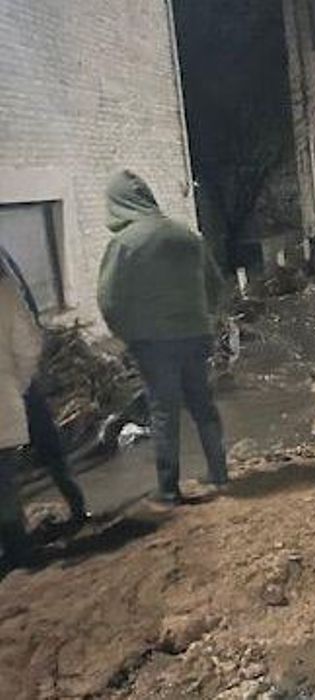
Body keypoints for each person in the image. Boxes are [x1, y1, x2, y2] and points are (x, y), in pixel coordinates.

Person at [97, 170, 228, 506]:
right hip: (196, 334)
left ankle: (169, 490)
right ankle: (219, 474)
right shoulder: (186, 234)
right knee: (203, 406)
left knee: (164, 412)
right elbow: (214, 284)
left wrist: (125, 335)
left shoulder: (125, 244)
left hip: (154, 343)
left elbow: (110, 298)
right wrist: (205, 318)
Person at [0, 246, 90, 524]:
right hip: (16, 386)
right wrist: (22, 381)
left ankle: (16, 546)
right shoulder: (5, 288)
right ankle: (76, 509)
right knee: (49, 451)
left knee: (6, 477)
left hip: (14, 386)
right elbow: (28, 341)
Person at [0, 254, 44, 566]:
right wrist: (18, 385)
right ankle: (17, 549)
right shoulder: (5, 294)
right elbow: (28, 347)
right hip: (3, 404)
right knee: (4, 483)